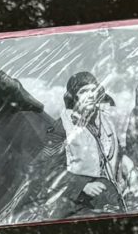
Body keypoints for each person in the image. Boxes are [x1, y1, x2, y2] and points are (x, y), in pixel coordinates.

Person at [50, 69, 127, 219]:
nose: (91, 95)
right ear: (73, 97)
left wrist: (129, 170)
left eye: (93, 90)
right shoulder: (60, 127)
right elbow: (47, 168)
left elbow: (116, 153)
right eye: (84, 91)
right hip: (78, 203)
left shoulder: (105, 121)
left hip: (110, 196)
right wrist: (82, 185)